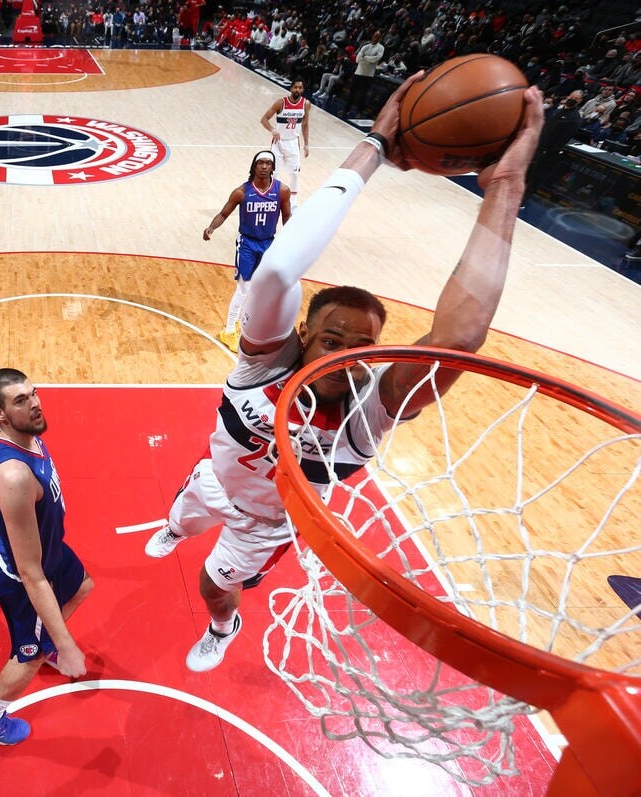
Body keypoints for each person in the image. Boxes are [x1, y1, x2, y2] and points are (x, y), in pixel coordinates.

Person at [145, 77, 543, 673]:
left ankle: (223, 627)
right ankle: (181, 524)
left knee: (211, 586)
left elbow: (457, 339)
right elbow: (278, 271)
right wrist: (377, 142)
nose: (345, 356)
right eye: (332, 340)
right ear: (303, 337)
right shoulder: (263, 363)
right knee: (181, 517)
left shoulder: (369, 410)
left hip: (265, 522)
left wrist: (505, 186)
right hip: (214, 479)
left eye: (363, 347)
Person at [0, 368, 93, 745]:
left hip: (49, 546)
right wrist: (66, 645)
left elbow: (16, 488)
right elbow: (30, 571)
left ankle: (46, 644)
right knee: (29, 657)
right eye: (21, 400)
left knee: (83, 585)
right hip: (28, 575)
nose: (35, 403)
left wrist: (3, 507)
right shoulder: (13, 476)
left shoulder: (24, 435)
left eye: (33, 393)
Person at [202, 150, 291, 353]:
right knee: (244, 288)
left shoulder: (282, 191)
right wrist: (211, 228)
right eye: (260, 163)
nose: (264, 166)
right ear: (254, 166)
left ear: (273, 167)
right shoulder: (242, 191)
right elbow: (224, 213)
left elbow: (287, 216)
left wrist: (291, 239)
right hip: (248, 244)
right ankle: (229, 329)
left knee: (266, 288)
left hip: (269, 242)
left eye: (268, 163)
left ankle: (253, 326)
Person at [261, 77, 311, 208]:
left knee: (294, 174)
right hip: (278, 142)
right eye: (295, 87)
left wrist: (306, 144)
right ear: (291, 88)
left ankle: (293, 203)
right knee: (274, 173)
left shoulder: (306, 104)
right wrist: (272, 130)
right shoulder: (281, 103)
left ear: (303, 90)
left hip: (293, 143)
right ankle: (270, 198)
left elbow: (305, 125)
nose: (297, 90)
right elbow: (264, 119)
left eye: (300, 88)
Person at [344, 30, 384, 118]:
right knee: (352, 92)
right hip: (358, 73)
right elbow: (358, 59)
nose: (375, 37)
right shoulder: (366, 46)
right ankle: (346, 109)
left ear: (380, 38)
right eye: (374, 35)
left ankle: (359, 112)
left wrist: (365, 58)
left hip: (368, 75)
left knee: (363, 95)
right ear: (372, 36)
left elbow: (375, 59)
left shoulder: (381, 48)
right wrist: (368, 59)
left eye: (377, 36)